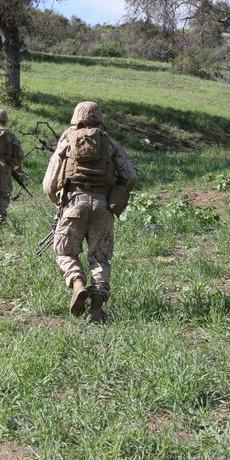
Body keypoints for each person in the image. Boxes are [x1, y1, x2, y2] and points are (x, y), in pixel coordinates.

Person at [42, 101, 137, 323]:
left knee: (65, 253)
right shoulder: (111, 143)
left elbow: (49, 183)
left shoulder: (66, 142)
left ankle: (77, 283)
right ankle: (97, 303)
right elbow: (130, 175)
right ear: (99, 119)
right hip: (103, 207)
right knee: (100, 257)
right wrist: (118, 193)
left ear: (75, 119)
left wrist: (58, 201)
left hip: (73, 204)